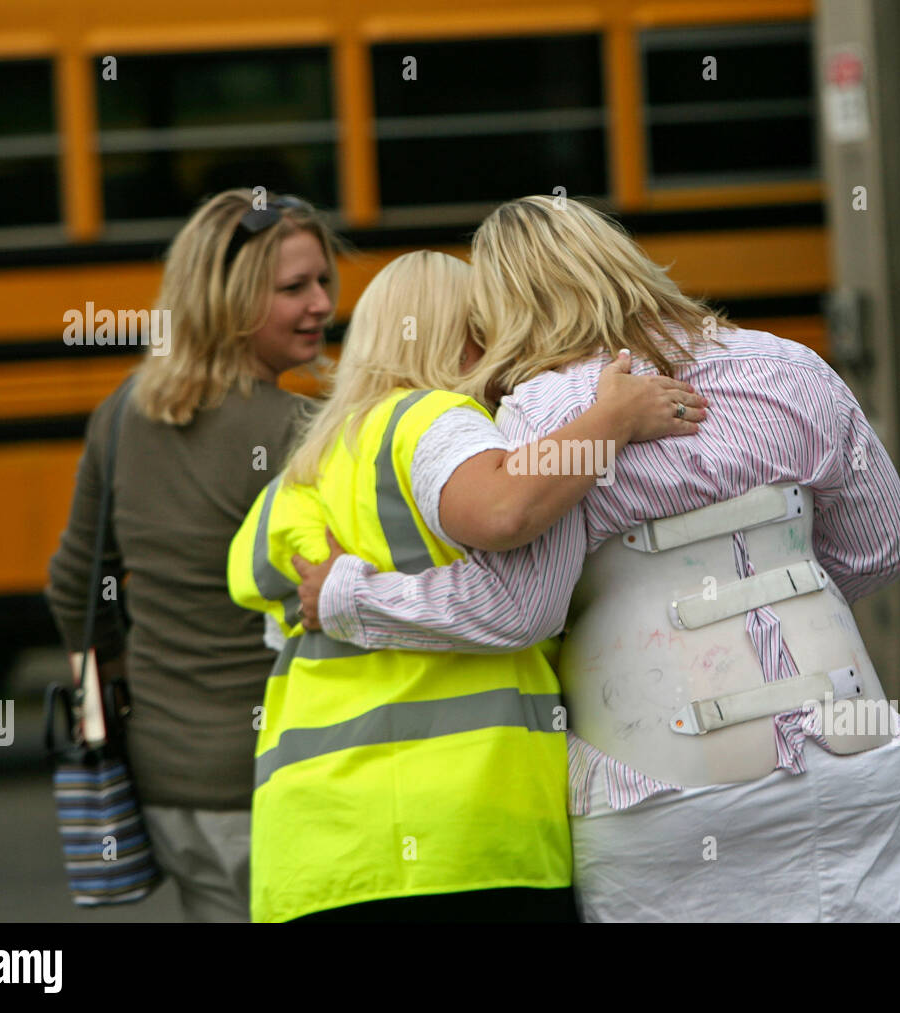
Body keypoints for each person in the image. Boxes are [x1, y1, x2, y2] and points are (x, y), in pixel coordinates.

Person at [296, 195, 900, 922]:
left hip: (664, 787)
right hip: (853, 753)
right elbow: (885, 543)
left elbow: (521, 610)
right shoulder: (790, 366)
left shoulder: (544, 418)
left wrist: (353, 597)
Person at [226, 249, 706, 923]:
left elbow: (264, 600)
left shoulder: (300, 474)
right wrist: (612, 423)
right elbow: (507, 508)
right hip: (467, 839)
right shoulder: (433, 418)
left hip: (314, 853)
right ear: (464, 334)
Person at [46, 188, 344, 921]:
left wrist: (112, 690)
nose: (322, 305)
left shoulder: (122, 411)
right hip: (275, 775)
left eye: (323, 281)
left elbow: (73, 584)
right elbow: (345, 596)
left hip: (162, 775)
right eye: (293, 288)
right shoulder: (298, 431)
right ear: (230, 302)